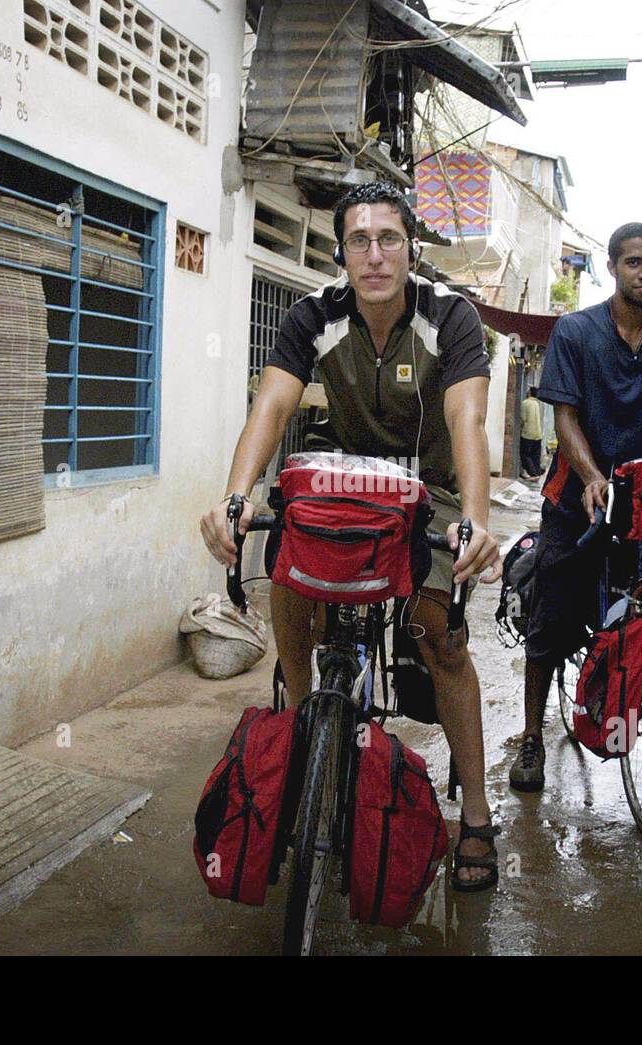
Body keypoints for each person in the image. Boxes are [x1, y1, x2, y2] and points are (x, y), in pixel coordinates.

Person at [201, 181, 504, 890]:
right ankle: (307, 717)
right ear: (341, 252)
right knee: (286, 569)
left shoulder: (451, 318)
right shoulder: (313, 316)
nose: (375, 254)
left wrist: (477, 522)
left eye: (389, 238)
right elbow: (273, 403)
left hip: (427, 488)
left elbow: (468, 421)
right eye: (360, 241)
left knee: (440, 633)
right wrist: (236, 496)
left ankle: (480, 812)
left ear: (411, 248)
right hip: (341, 474)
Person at [508, 222, 642, 791]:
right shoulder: (576, 332)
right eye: (634, 263)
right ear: (613, 268)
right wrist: (592, 476)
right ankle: (532, 739)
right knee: (550, 622)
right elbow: (564, 416)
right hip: (578, 498)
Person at [519, 385, 544, 479]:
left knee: (525, 454)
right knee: (535, 455)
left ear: (529, 393)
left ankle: (532, 473)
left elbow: (523, 418)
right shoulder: (537, 403)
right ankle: (537, 471)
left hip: (527, 433)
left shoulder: (526, 403)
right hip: (538, 433)